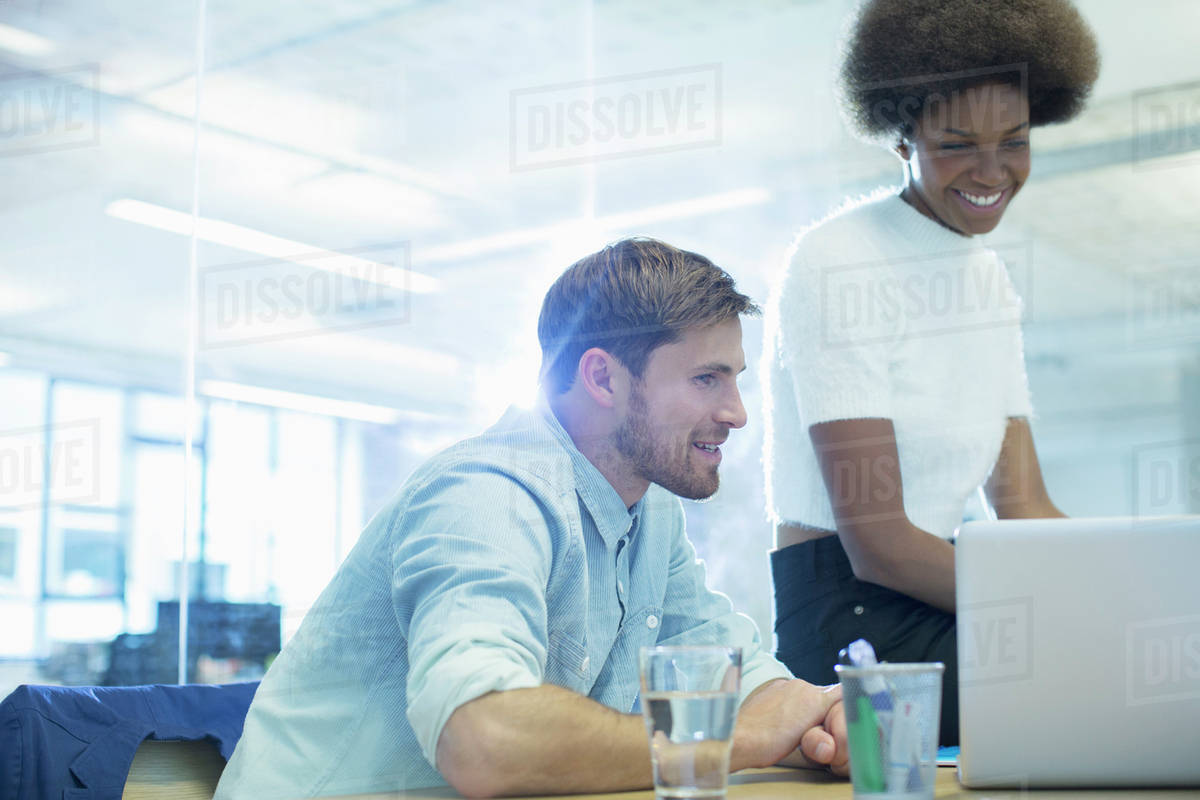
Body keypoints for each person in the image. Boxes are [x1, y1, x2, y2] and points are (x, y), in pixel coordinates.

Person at [216, 238, 848, 799]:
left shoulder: (648, 513)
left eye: (733, 379)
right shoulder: (484, 498)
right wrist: (726, 737)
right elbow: (483, 738)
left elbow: (731, 668)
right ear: (602, 377)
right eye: (706, 378)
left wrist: (820, 717)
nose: (737, 414)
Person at [762, 0, 1100, 746]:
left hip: (952, 593)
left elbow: (1026, 507)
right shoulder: (839, 260)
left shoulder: (989, 285)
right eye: (957, 144)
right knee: (1112, 686)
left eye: (1014, 141)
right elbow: (878, 542)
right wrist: (1055, 609)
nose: (992, 171)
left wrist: (1120, 585)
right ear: (901, 135)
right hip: (848, 617)